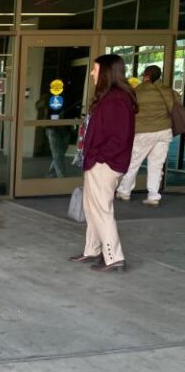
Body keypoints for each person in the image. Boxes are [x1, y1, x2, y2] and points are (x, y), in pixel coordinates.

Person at [70, 54, 136, 272]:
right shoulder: (109, 97)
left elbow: (120, 137)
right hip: (98, 162)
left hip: (105, 164)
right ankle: (92, 249)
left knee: (101, 209)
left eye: (95, 69)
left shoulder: (116, 100)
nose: (91, 73)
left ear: (107, 72)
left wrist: (100, 157)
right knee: (92, 208)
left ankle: (113, 256)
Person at [116, 65, 179, 207]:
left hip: (144, 132)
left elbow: (129, 108)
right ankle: (153, 196)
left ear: (146, 76)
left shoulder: (138, 91)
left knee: (134, 163)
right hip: (164, 131)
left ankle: (124, 192)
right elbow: (177, 102)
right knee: (156, 165)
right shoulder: (167, 90)